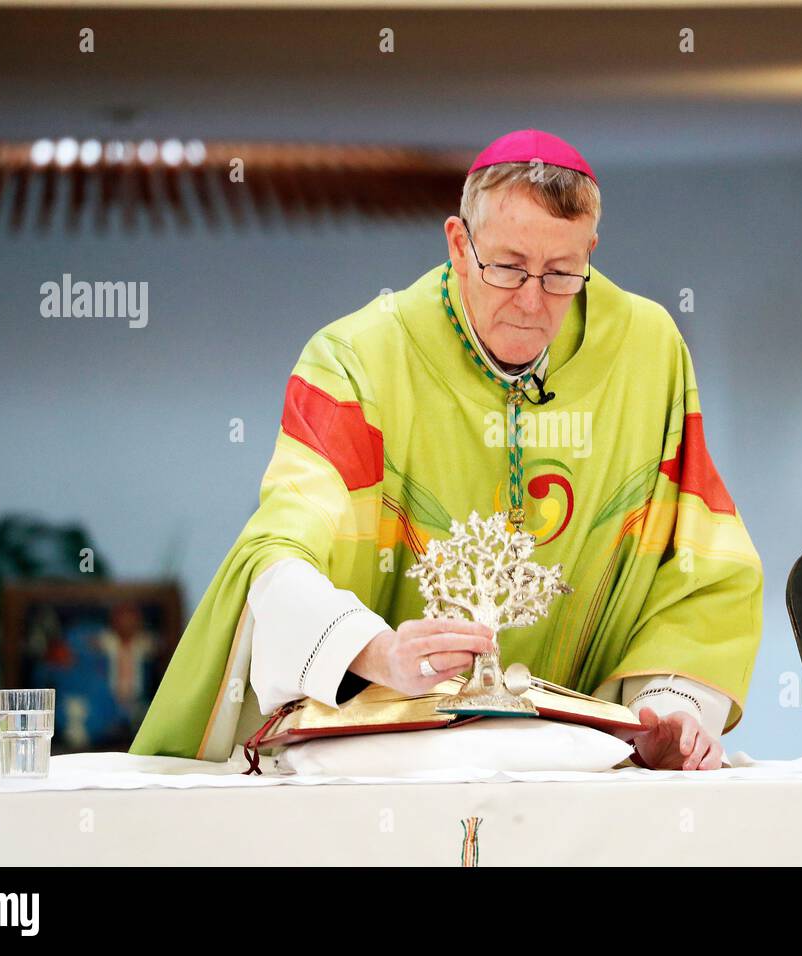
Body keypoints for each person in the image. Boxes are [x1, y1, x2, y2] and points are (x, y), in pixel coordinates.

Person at [131, 129, 763, 771]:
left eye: (562, 273)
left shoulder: (647, 354)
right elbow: (277, 555)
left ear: (590, 252)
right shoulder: (359, 361)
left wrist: (666, 709)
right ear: (460, 245)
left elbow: (704, 566)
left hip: (578, 767)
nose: (531, 300)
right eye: (509, 266)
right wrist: (375, 650)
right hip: (391, 760)